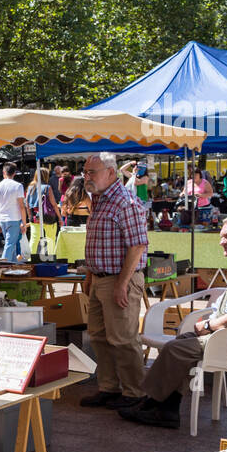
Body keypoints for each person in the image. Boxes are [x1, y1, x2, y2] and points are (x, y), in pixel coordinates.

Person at [121, 217, 227, 429]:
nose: (222, 241)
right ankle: (161, 404)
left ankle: (157, 405)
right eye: (222, 237)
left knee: (175, 348)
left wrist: (205, 326)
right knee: (183, 342)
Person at [79, 152, 148, 411]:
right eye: (85, 172)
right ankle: (109, 388)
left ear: (111, 172)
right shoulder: (100, 199)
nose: (87, 177)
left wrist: (122, 284)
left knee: (123, 338)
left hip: (119, 279)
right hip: (100, 278)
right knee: (98, 336)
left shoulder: (125, 201)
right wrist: (90, 275)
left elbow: (138, 245)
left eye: (92, 172)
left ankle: (135, 393)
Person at [0, 163, 29, 262]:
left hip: (2, 219)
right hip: (14, 219)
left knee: (11, 244)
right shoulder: (18, 186)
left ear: (4, 172)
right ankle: (3, 266)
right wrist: (24, 223)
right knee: (10, 244)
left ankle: (13, 266)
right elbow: (21, 206)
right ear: (14, 173)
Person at [26, 167, 60, 250]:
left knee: (34, 240)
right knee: (51, 239)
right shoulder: (47, 187)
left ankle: (31, 260)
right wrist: (59, 218)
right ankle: (51, 260)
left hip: (35, 216)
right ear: (46, 176)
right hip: (48, 216)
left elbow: (27, 204)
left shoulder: (30, 187)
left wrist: (29, 216)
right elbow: (54, 204)